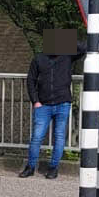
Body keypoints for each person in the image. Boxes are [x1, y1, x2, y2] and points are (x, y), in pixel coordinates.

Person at [21, 45, 74, 179]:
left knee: (59, 136)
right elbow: (30, 80)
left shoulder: (67, 56)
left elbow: (85, 46)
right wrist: (35, 101)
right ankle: (30, 167)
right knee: (37, 137)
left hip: (63, 103)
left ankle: (53, 168)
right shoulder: (39, 58)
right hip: (43, 105)